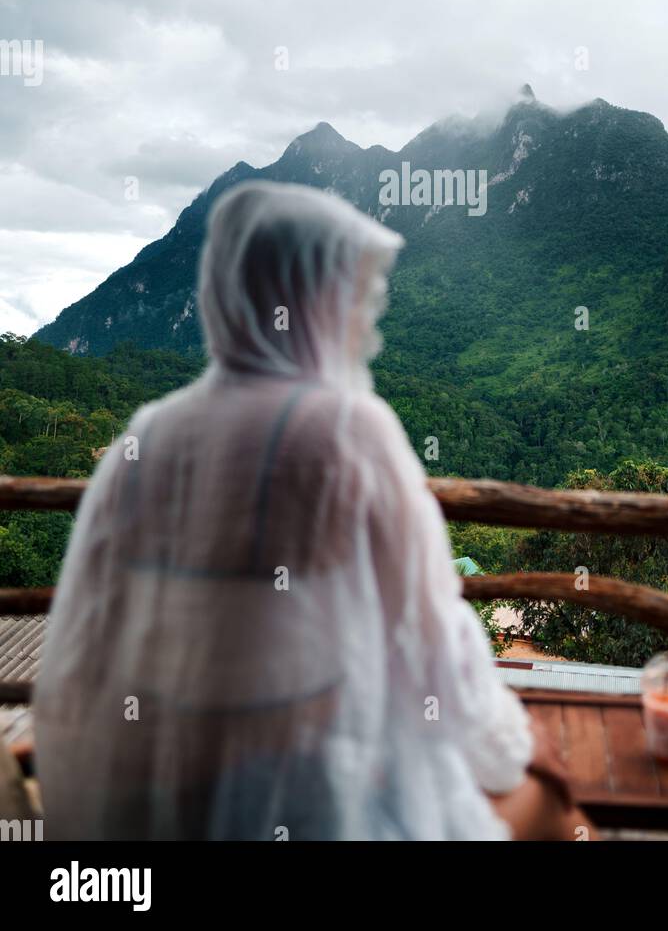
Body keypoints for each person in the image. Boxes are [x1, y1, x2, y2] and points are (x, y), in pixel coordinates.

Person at [34, 181, 575, 840]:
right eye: (357, 295)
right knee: (555, 806)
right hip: (307, 796)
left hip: (151, 793)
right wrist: (511, 753)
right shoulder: (344, 430)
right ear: (313, 298)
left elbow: (91, 623)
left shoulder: (151, 430)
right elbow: (430, 633)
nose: (369, 317)